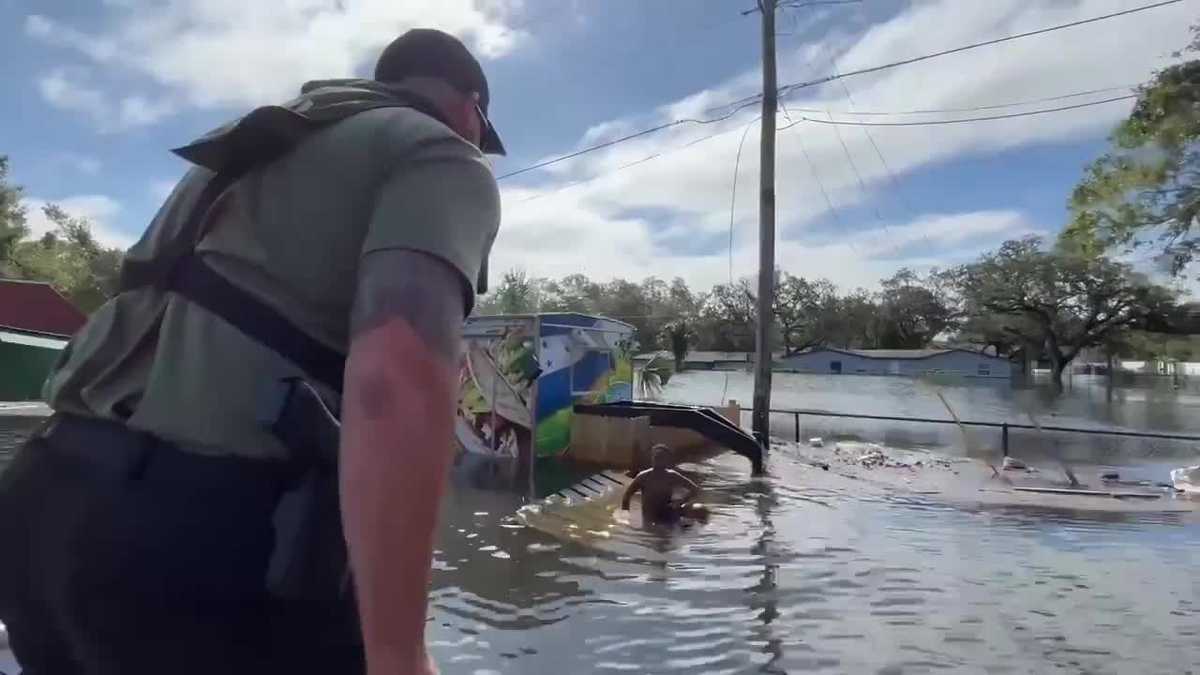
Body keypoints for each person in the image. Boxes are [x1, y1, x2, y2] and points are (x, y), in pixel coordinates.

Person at [0, 28, 503, 675]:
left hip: (40, 500)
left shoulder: (259, 143)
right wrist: (399, 653)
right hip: (192, 549)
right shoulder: (442, 156)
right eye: (481, 132)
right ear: (471, 108)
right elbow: (397, 381)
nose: (478, 146)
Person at [621, 444, 704, 525]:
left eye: (661, 457)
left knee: (698, 510)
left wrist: (680, 502)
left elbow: (695, 490)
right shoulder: (643, 476)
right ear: (652, 458)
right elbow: (627, 496)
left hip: (667, 517)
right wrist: (625, 518)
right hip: (650, 520)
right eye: (656, 457)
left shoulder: (672, 475)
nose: (658, 460)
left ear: (667, 460)